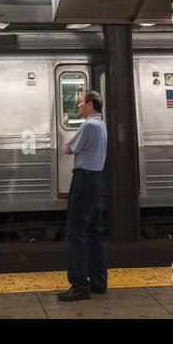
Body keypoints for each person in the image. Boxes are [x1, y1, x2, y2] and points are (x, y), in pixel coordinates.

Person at [57, 90, 108, 302]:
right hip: (96, 181)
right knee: (95, 233)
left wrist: (67, 145)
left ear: (90, 104)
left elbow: (68, 149)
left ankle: (79, 286)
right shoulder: (102, 125)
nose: (78, 105)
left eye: (80, 102)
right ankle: (98, 282)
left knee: (75, 233)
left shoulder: (88, 125)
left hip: (84, 182)